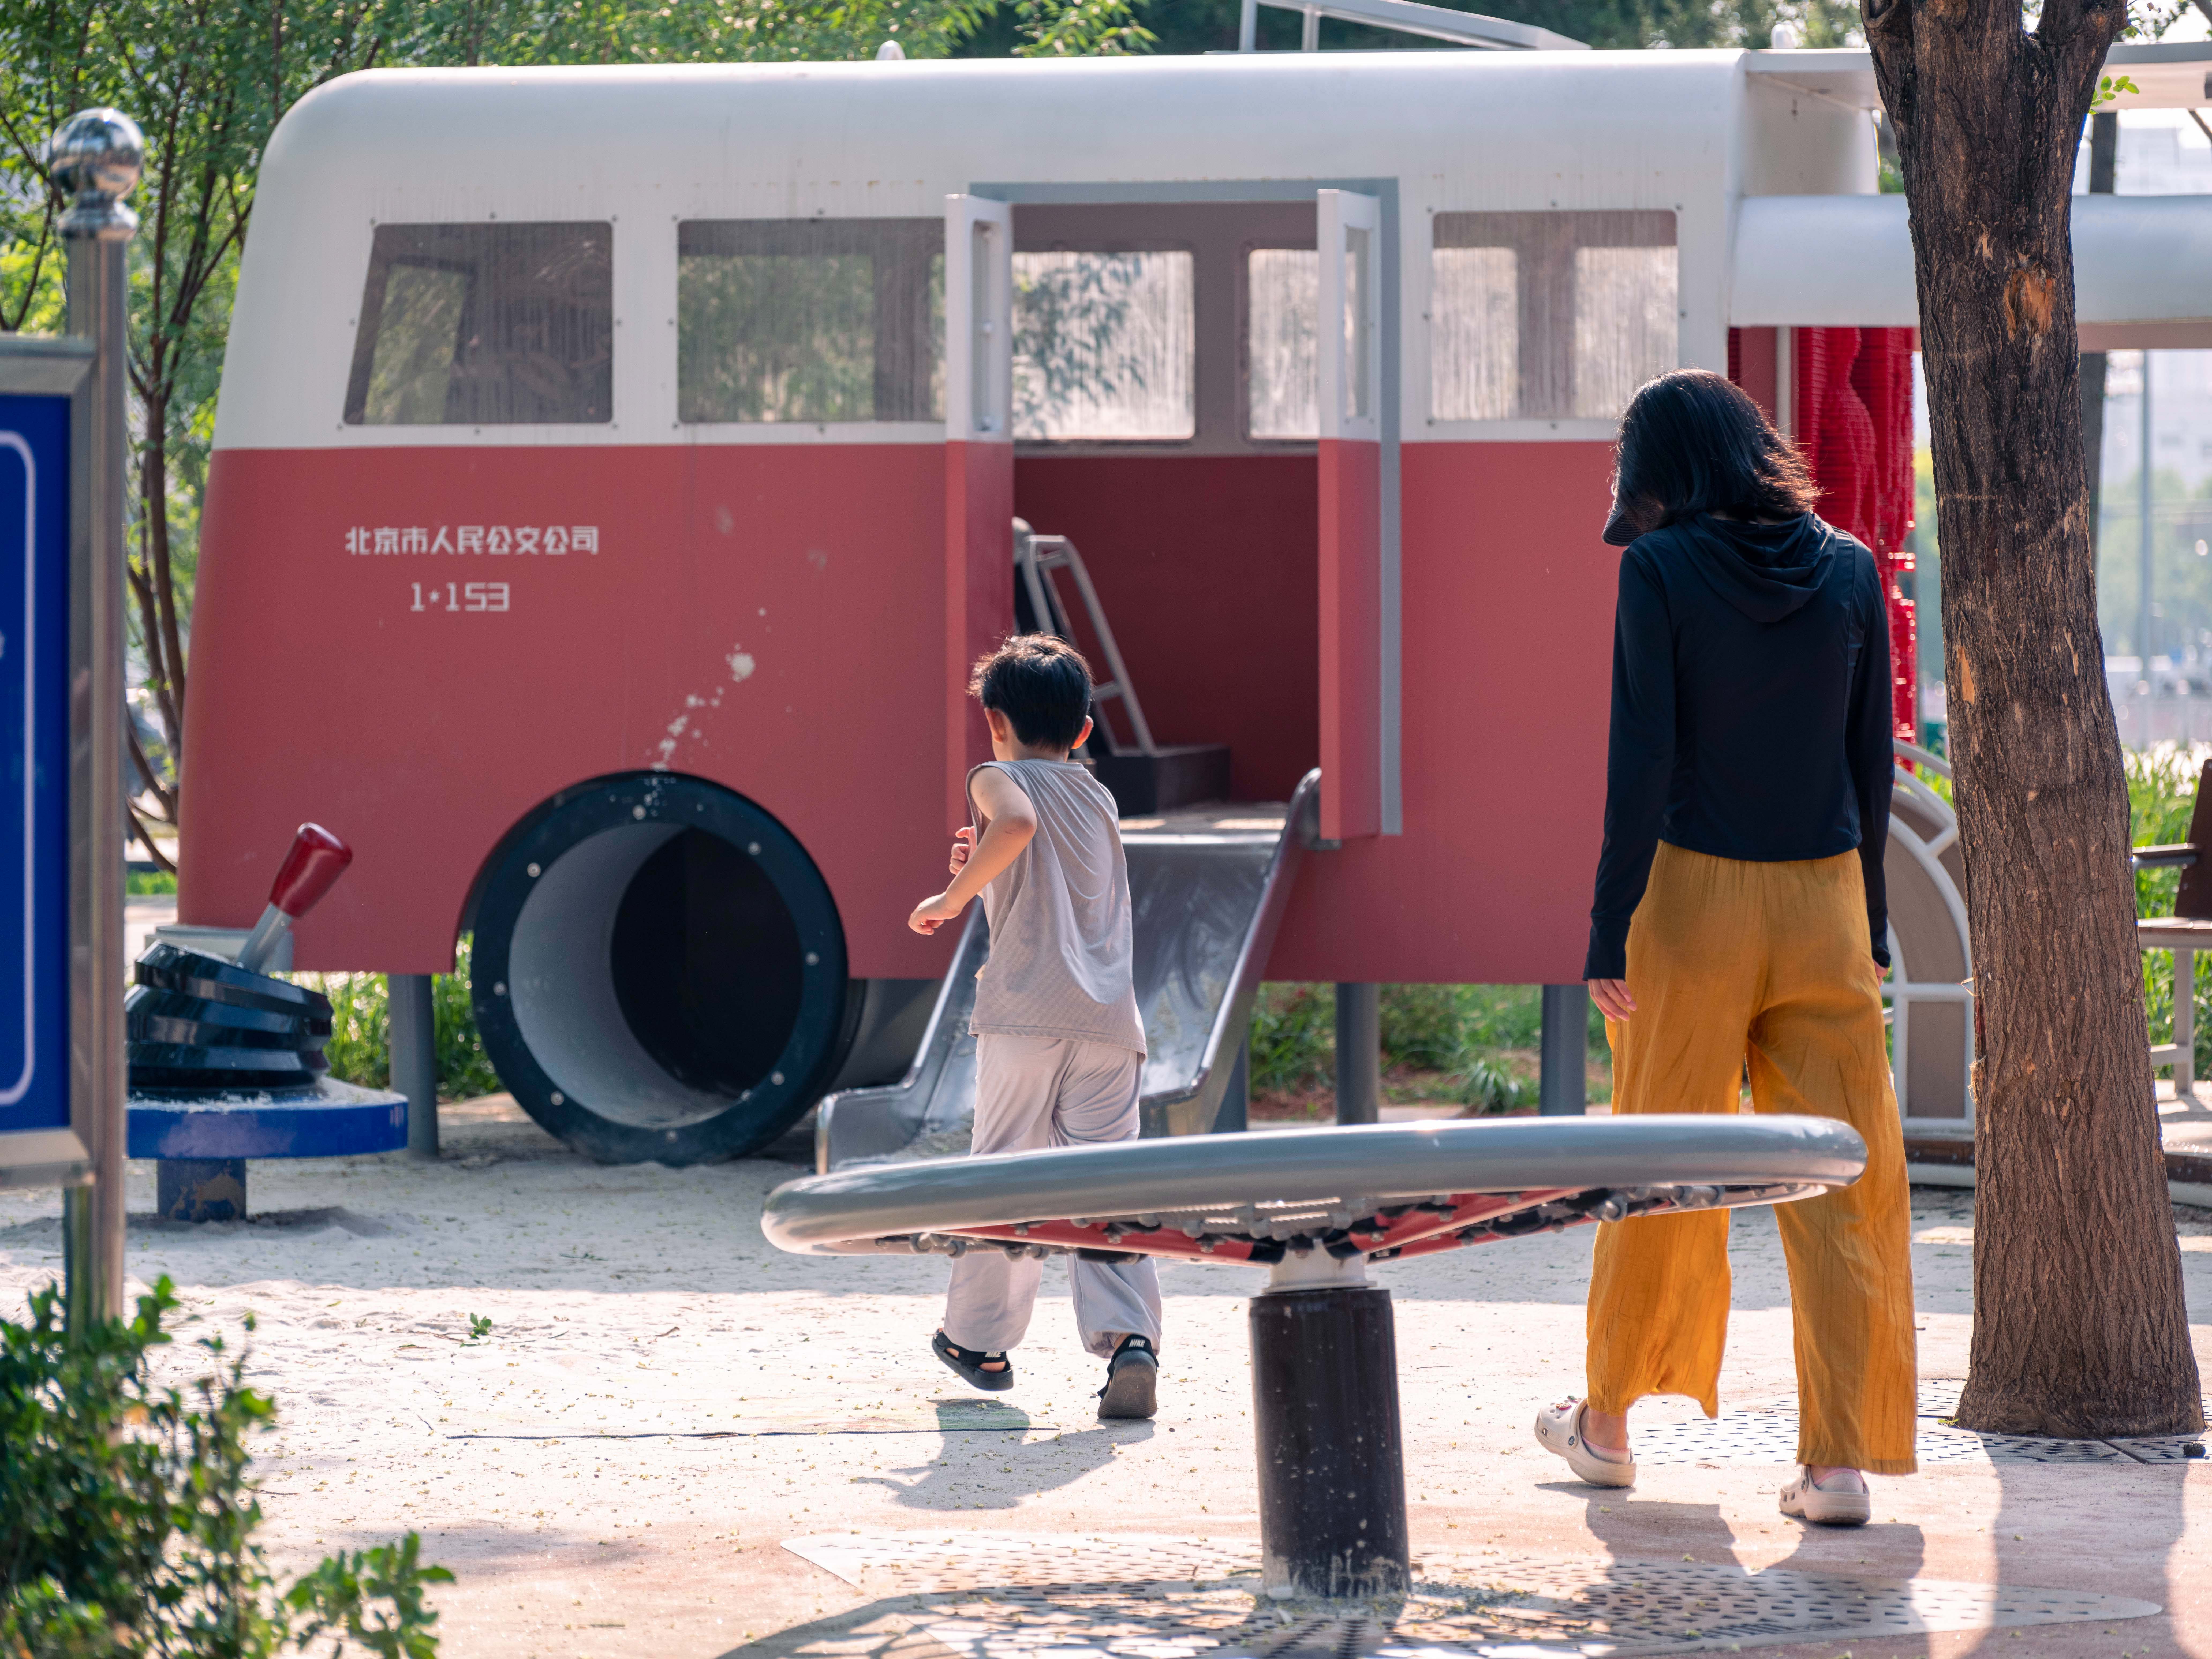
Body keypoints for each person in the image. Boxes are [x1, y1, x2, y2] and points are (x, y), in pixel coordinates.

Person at [1533, 369, 1917, 1527]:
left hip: (1690, 903)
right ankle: (1839, 1466)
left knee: (1657, 1162)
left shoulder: (1655, 571)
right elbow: (1871, 767)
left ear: (1669, 468)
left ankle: (1606, 1425)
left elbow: (1641, 757)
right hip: (1825, 901)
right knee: (1850, 1181)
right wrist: (1876, 915)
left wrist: (1607, 924)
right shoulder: (1851, 568)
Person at [907, 633, 1161, 1420]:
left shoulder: (994, 775)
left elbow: (1016, 823)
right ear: (1085, 731)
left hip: (1025, 1016)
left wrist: (951, 898)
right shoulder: (1100, 797)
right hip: (1111, 1023)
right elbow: (1035, 858)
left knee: (1005, 1174)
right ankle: (1130, 1341)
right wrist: (979, 865)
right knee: (1108, 1185)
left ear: (993, 721)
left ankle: (979, 1341)